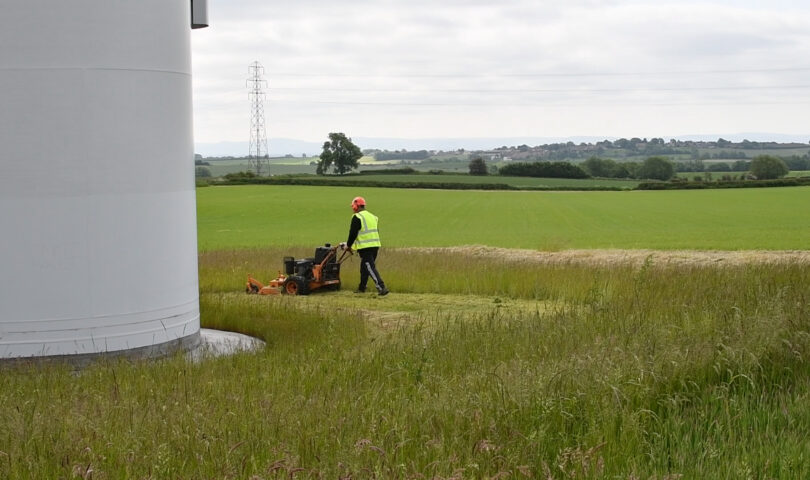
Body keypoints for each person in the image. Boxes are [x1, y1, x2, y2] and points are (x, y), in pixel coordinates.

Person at [340, 196, 389, 296]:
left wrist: (348, 245)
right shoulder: (373, 217)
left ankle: (381, 287)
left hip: (366, 247)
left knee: (370, 267)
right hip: (375, 245)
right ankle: (361, 288)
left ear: (355, 206)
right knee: (364, 267)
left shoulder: (357, 217)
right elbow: (368, 233)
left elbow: (353, 234)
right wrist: (351, 246)